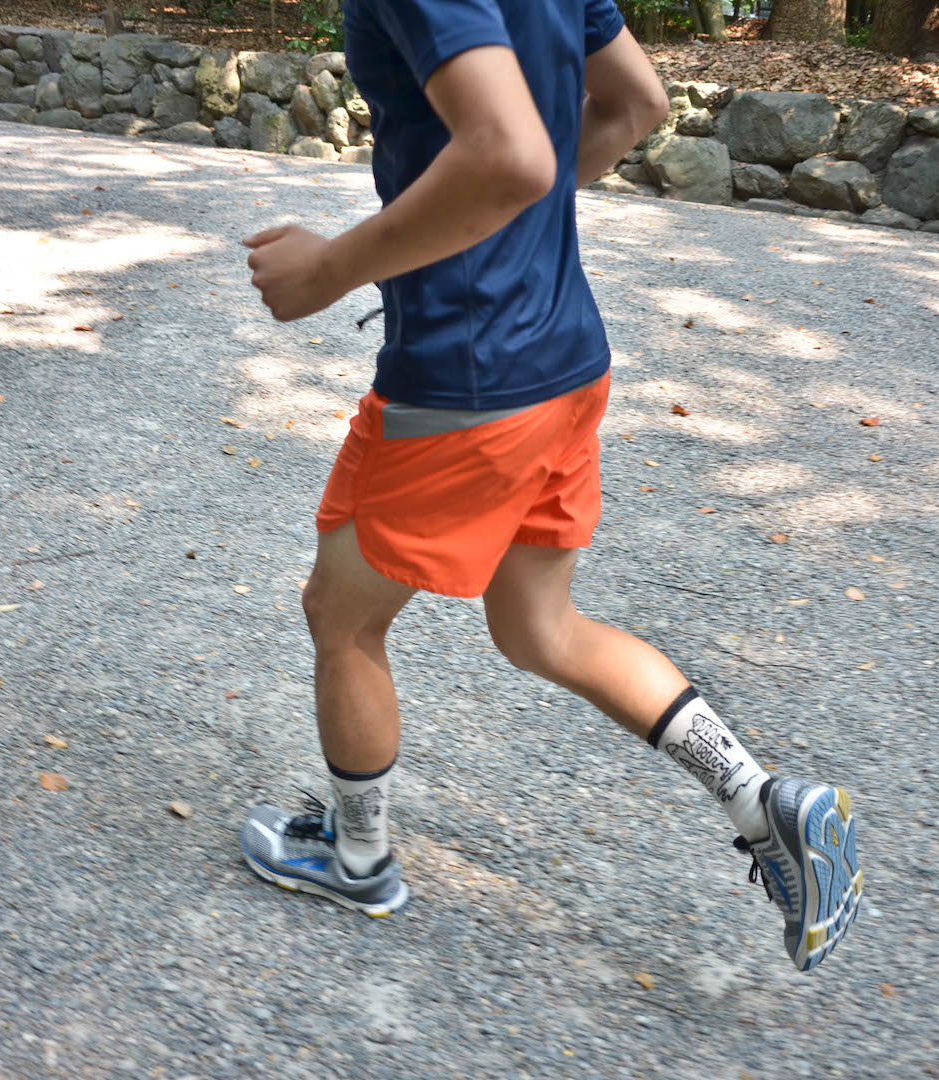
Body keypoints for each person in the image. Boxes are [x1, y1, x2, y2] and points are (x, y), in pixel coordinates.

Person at [240, 0, 861, 972]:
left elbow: (510, 158)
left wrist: (329, 270)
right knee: (539, 629)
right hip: (564, 362)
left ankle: (356, 856)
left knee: (343, 615)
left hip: (463, 383)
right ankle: (759, 800)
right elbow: (634, 102)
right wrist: (503, 232)